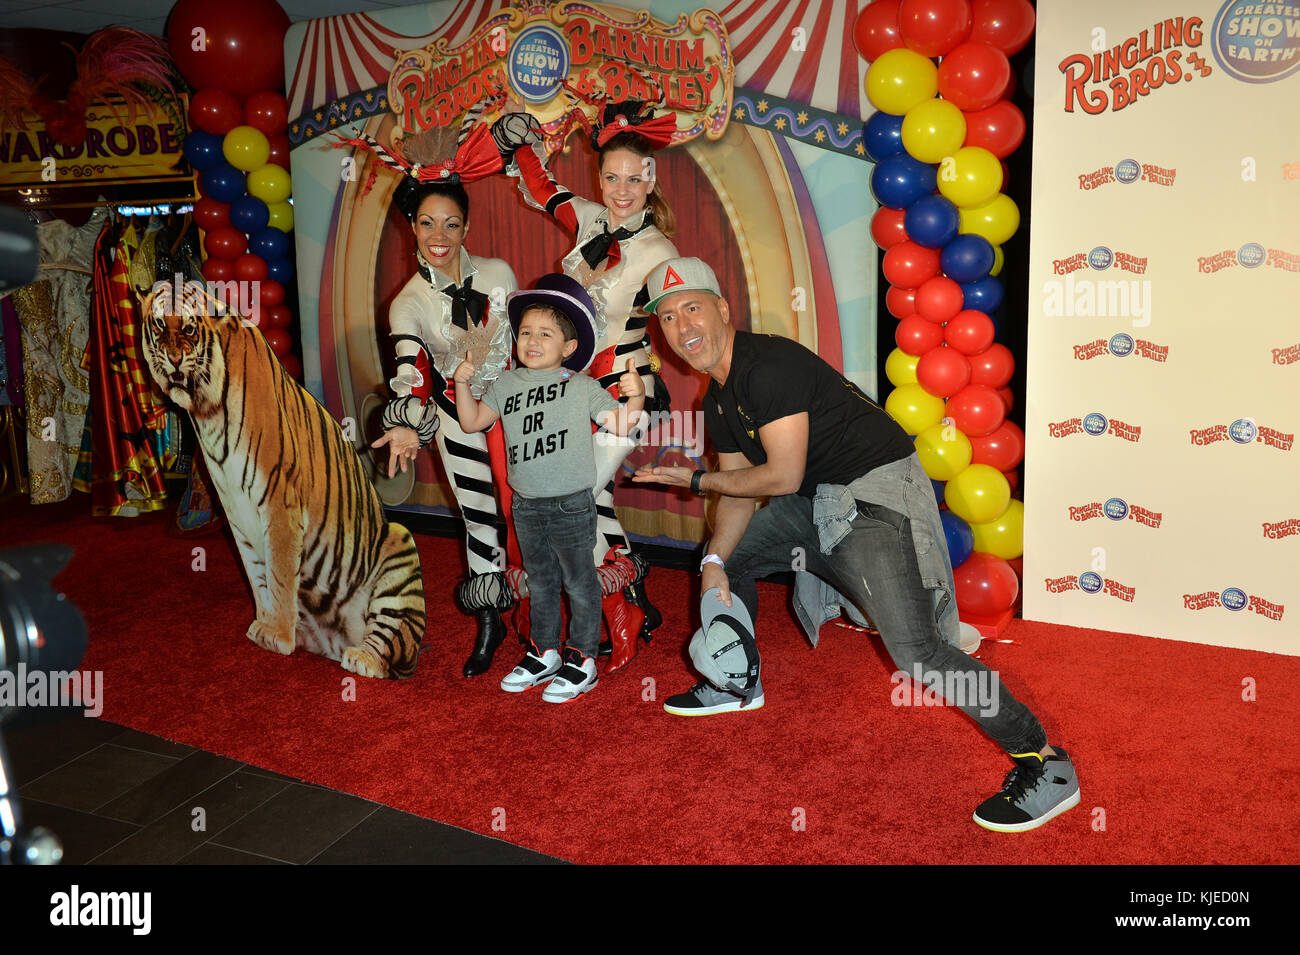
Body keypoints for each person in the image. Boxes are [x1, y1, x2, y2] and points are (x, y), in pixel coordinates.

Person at [633, 257, 1081, 833]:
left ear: (723, 309)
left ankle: (1045, 763)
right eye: (667, 318)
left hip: (874, 495)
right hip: (818, 500)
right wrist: (715, 563)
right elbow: (741, 497)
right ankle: (736, 680)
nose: (681, 326)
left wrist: (697, 481)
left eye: (692, 307)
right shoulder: (717, 400)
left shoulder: (768, 365)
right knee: (731, 556)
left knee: (917, 652)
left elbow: (780, 477)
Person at [490, 94, 679, 671]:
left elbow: (681, 319)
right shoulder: (588, 218)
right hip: (569, 392)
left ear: (650, 180)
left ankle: (608, 621)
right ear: (600, 176)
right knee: (585, 503)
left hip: (622, 392)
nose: (621, 191)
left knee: (572, 498)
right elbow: (541, 185)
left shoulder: (660, 251)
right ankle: (618, 609)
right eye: (611, 177)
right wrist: (518, 141)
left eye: (633, 179)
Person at [359, 120, 520, 677]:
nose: (439, 233)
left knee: (535, 511)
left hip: (517, 409)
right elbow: (411, 369)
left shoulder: (500, 274)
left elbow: (526, 346)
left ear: (467, 224)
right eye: (427, 221)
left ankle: (552, 618)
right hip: (458, 418)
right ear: (412, 225)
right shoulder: (406, 304)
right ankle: (493, 620)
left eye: (450, 222)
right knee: (480, 519)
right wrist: (406, 420)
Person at [453, 273, 646, 701]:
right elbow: (472, 422)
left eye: (545, 333)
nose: (532, 341)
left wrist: (636, 397)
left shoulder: (581, 386)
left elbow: (622, 424)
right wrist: (463, 383)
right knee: (540, 583)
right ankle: (545, 652)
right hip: (526, 506)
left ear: (569, 347)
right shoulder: (505, 385)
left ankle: (583, 659)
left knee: (579, 582)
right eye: (525, 332)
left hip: (572, 505)